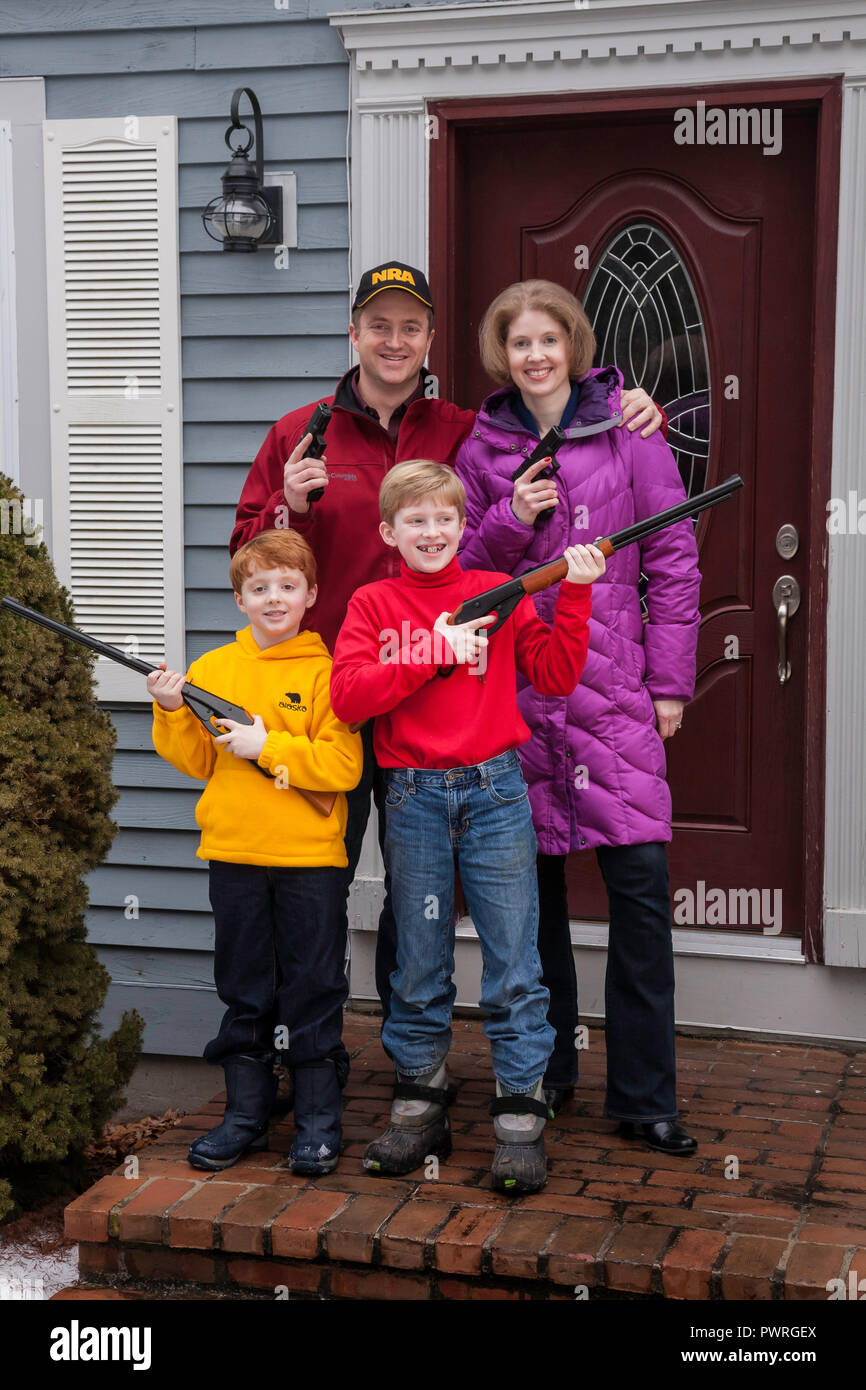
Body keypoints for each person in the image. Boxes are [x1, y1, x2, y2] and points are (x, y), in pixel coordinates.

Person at [231, 261, 663, 1024]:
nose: (393, 341)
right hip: (332, 693)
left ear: (430, 339)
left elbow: (532, 456)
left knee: (416, 888)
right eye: (379, 325)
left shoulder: (467, 429)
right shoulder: (298, 434)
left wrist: (626, 404)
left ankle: (413, 1057)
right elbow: (248, 559)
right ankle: (302, 1054)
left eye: (410, 327)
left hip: (433, 702)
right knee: (315, 878)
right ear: (353, 333)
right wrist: (285, 508)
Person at [455, 279, 702, 1156]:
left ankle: (645, 1095)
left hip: (616, 695)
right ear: (502, 355)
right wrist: (508, 519)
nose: (535, 356)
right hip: (517, 698)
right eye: (518, 343)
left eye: (548, 340)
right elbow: (465, 578)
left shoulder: (630, 432)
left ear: (573, 344)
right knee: (535, 901)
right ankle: (546, 1075)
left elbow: (672, 557)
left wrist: (671, 682)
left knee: (638, 893)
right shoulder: (481, 448)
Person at [329, 460, 606, 1194]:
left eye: (444, 517)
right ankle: (421, 1094)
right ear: (390, 532)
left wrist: (574, 592)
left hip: (495, 793)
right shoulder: (373, 604)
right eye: (415, 520)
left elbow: (553, 674)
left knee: (515, 958)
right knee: (419, 961)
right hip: (413, 797)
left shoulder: (493, 591)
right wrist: (432, 653)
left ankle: (520, 1108)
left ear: (461, 524)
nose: (432, 531)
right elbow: (351, 697)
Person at [147, 531, 363, 1176]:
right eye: (259, 588)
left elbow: (343, 767)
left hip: (309, 857)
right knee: (244, 983)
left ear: (311, 595)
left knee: (313, 985)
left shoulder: (330, 672)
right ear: (239, 599)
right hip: (235, 850)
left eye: (287, 587)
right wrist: (169, 709)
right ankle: (245, 1112)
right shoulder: (212, 670)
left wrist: (267, 747)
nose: (274, 599)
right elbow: (193, 761)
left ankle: (319, 1120)